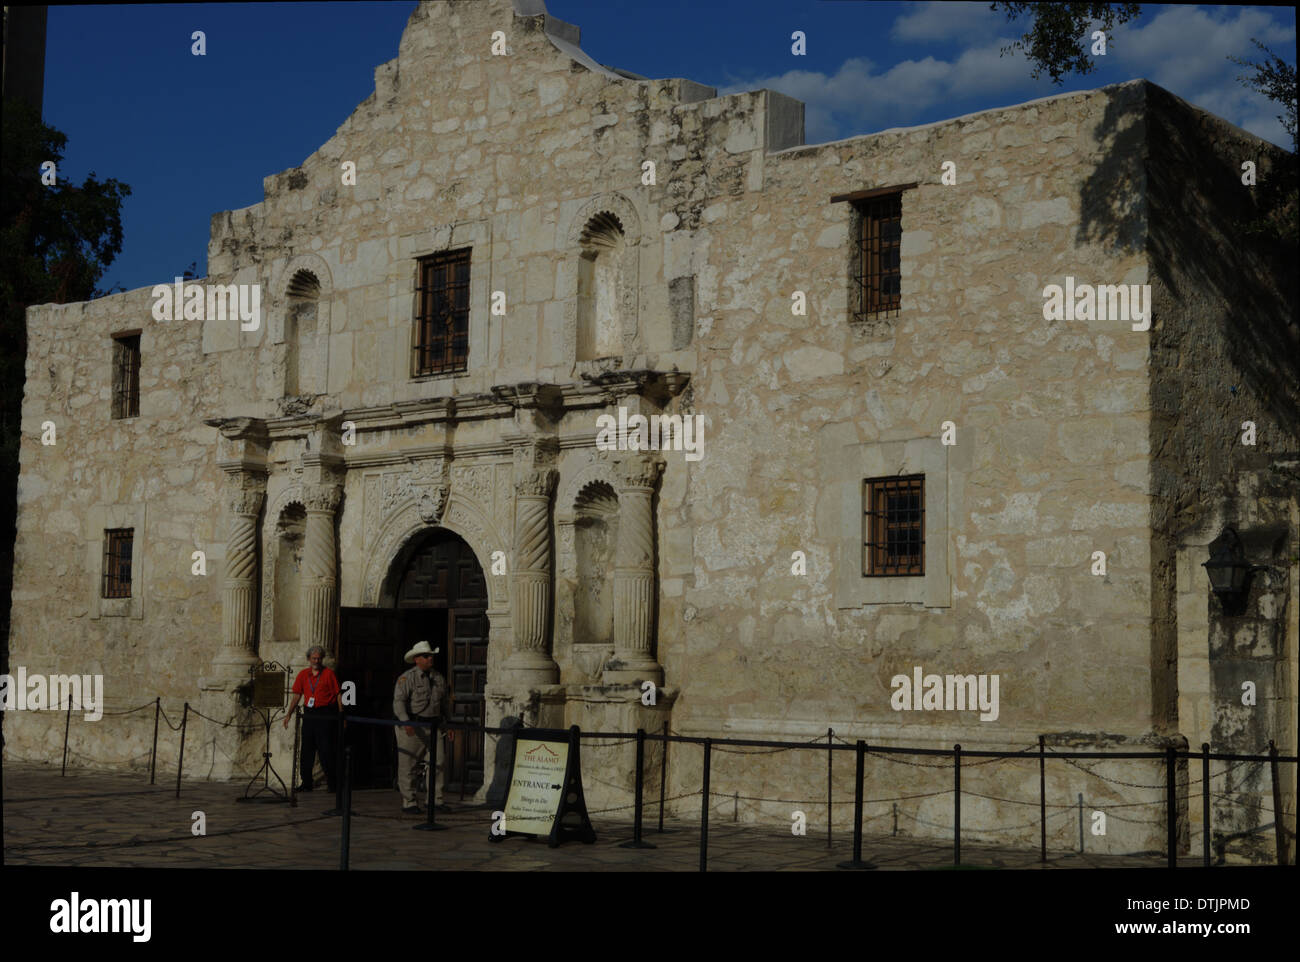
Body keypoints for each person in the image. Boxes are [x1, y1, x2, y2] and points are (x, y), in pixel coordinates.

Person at [393, 640, 449, 814]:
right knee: (408, 763)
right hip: (414, 725)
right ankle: (409, 801)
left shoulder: (438, 677)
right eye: (426, 656)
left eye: (431, 655)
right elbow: (399, 701)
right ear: (417, 659)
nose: (430, 658)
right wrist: (405, 721)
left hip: (434, 725)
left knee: (438, 762)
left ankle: (435, 799)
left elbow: (444, 703)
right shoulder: (407, 678)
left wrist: (448, 723)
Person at [284, 645, 341, 793]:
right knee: (306, 750)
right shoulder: (303, 675)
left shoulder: (329, 674)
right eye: (314, 658)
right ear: (309, 659)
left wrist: (341, 713)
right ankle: (306, 782)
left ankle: (332, 782)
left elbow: (337, 694)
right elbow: (297, 695)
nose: (316, 661)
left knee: (326, 749)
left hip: (325, 713)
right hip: (309, 714)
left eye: (319, 658)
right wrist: (289, 714)